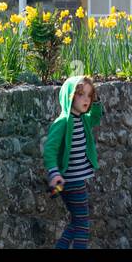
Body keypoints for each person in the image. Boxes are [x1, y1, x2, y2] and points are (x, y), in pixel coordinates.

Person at [43, 74, 104, 249]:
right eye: (80, 94)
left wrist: (97, 101)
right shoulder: (62, 122)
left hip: (72, 180)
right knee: (82, 225)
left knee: (76, 222)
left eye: (89, 95)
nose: (86, 99)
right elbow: (50, 149)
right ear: (69, 96)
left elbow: (96, 117)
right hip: (70, 180)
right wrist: (53, 173)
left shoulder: (83, 119)